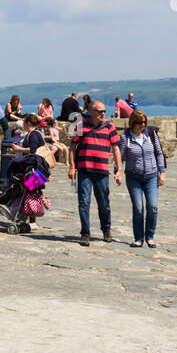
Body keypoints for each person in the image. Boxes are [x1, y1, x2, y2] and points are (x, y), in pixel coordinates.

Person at [68, 100, 122, 246]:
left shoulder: (109, 126)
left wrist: (119, 170)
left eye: (104, 111)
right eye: (100, 111)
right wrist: (72, 167)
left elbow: (116, 148)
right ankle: (85, 233)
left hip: (102, 170)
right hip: (84, 169)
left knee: (104, 203)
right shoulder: (80, 125)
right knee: (84, 202)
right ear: (91, 111)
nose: (103, 114)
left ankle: (106, 229)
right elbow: (72, 147)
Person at [121, 109, 166, 248]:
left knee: (153, 207)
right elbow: (120, 156)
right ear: (133, 123)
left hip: (151, 176)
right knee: (138, 208)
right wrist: (117, 171)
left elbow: (159, 153)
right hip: (133, 177)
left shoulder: (151, 134)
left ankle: (150, 236)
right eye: (140, 122)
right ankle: (139, 238)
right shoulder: (125, 137)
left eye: (145, 122)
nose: (143, 125)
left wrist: (162, 172)